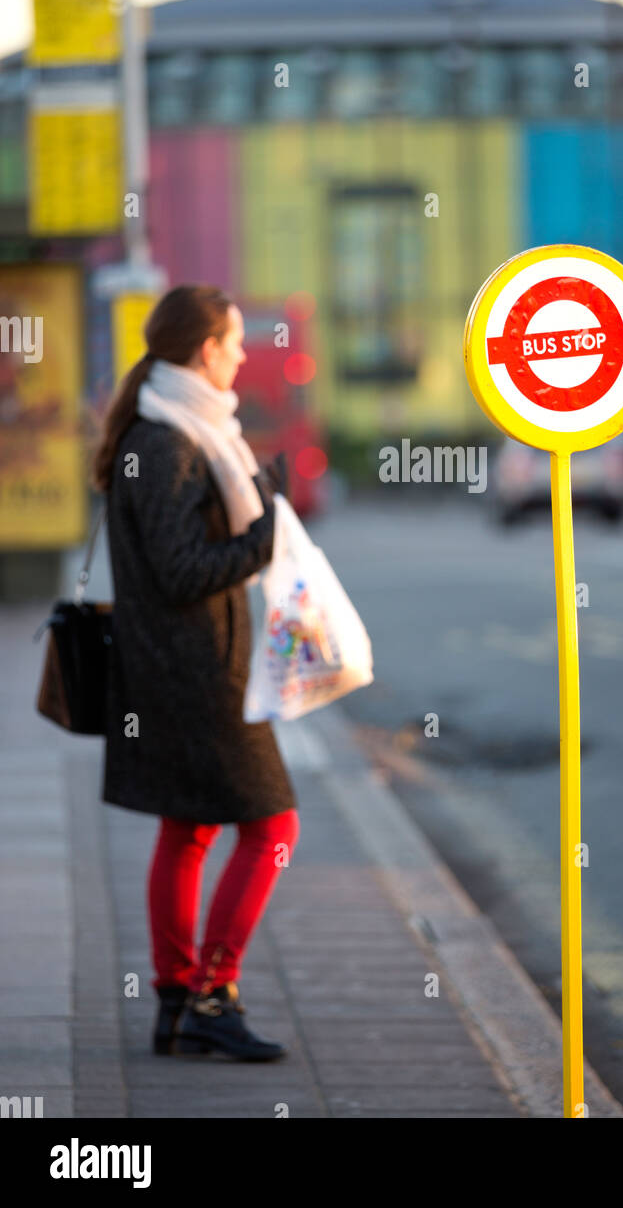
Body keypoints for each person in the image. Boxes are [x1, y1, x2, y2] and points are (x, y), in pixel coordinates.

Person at [90, 285, 299, 1061]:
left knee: (189, 828)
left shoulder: (169, 429)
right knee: (273, 827)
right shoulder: (170, 443)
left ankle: (178, 1003)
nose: (243, 354)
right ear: (204, 349)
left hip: (175, 668)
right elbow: (183, 572)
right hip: (194, 674)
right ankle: (213, 992)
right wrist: (266, 534)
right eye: (234, 341)